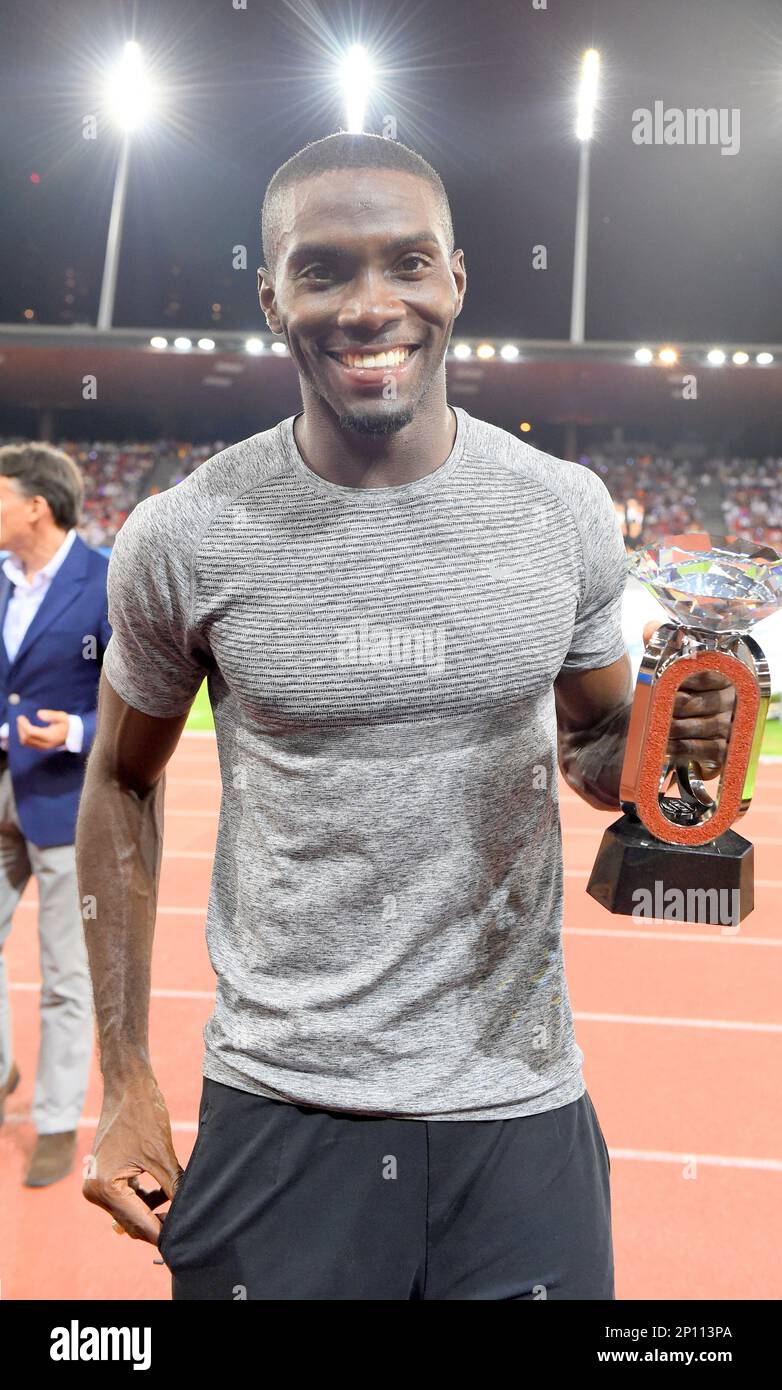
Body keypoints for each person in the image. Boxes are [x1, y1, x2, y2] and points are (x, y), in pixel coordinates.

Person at [78, 132, 735, 1299]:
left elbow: (590, 745)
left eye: (407, 264)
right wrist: (124, 1074)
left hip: (516, 1107)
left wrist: (654, 749)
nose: (370, 305)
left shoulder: (563, 512)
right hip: (281, 1110)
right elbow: (121, 780)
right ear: (271, 291)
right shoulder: (184, 533)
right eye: (324, 270)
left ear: (456, 280)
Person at [0, 444, 110, 1185]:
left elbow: (145, 696)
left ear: (35, 506)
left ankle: (57, 1119)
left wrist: (74, 731)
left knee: (66, 974)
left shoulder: (104, 583)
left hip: (67, 800)